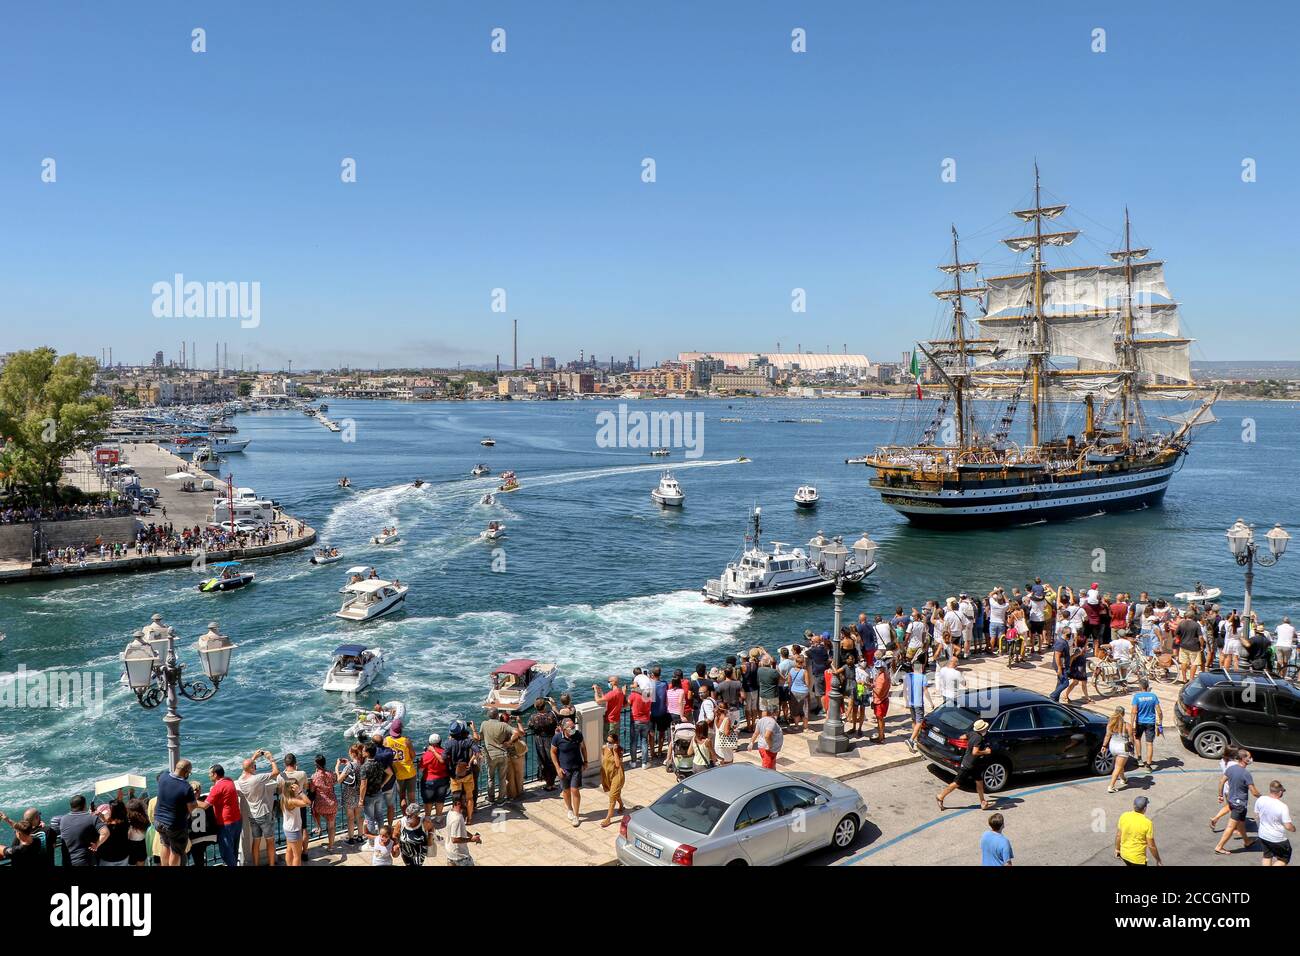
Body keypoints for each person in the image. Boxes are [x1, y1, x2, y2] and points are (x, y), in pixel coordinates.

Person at [153, 759, 201, 867]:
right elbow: (192, 808)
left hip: (158, 820)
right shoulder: (186, 787)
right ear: (186, 772)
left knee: (165, 845)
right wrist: (193, 798)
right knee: (176, 851)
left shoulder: (163, 777)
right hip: (174, 825)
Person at [937, 718, 991, 811]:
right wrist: (985, 751)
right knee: (956, 783)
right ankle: (940, 796)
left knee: (979, 782)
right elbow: (975, 752)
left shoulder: (971, 733)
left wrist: (969, 743)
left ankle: (983, 802)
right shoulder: (978, 738)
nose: (986, 730)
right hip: (968, 765)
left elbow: (962, 737)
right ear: (982, 729)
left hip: (975, 765)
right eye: (985, 728)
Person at [1215, 749, 1260, 854]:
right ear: (1243, 759)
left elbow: (1222, 781)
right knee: (1231, 827)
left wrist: (1220, 795)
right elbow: (1254, 792)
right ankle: (1219, 847)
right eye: (1249, 757)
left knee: (1241, 823)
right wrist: (1264, 797)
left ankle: (1247, 841)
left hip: (1231, 800)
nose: (1250, 759)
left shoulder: (1231, 768)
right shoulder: (1246, 774)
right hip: (1239, 804)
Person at [550, 717, 588, 827]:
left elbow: (583, 748)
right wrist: (557, 768)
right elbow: (552, 752)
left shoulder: (578, 735)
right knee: (566, 791)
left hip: (576, 767)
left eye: (574, 727)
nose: (573, 729)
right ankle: (570, 809)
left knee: (574, 790)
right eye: (571, 728)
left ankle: (576, 815)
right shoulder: (557, 738)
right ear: (564, 729)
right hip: (564, 769)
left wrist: (585, 761)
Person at [479, 708, 520, 805]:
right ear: (498, 716)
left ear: (488, 715)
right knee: (502, 778)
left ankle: (491, 797)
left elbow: (480, 737)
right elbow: (517, 732)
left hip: (490, 755)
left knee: (490, 777)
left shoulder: (484, 724)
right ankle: (501, 799)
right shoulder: (504, 725)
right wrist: (509, 742)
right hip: (502, 754)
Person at [206, 764, 242, 867]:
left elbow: (204, 805)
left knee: (226, 853)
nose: (209, 776)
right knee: (234, 851)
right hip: (237, 820)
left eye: (210, 774)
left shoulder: (217, 788)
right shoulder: (229, 781)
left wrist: (192, 801)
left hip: (226, 824)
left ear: (215, 774)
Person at [357, 741, 392, 838]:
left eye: (363, 750)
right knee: (380, 817)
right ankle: (383, 837)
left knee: (370, 819)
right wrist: (382, 784)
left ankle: (372, 841)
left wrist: (361, 800)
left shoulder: (364, 767)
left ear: (367, 753)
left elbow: (363, 785)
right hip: (379, 793)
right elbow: (390, 773)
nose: (362, 752)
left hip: (369, 796)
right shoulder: (380, 763)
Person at [1255, 780, 1294, 867]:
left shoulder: (1261, 799)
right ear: (1280, 792)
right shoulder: (1282, 806)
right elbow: (1288, 826)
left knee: (1267, 855)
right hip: (1277, 838)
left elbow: (1257, 815)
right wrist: (1293, 828)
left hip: (1263, 835)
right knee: (1283, 859)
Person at [1116, 795, 1162, 865]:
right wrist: (1158, 859)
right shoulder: (1147, 823)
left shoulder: (1124, 816)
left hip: (1124, 855)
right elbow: (1151, 846)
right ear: (1145, 808)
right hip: (1137, 859)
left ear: (1133, 805)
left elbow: (1118, 835)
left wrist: (1117, 849)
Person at [384, 720, 418, 810]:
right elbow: (413, 756)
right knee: (412, 799)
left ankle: (405, 817)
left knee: (402, 797)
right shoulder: (406, 741)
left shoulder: (387, 741)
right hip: (410, 772)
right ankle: (413, 818)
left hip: (398, 774)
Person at [1129, 680, 1163, 770]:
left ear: (1140, 687)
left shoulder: (1137, 697)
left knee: (1137, 739)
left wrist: (1132, 724)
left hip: (1139, 722)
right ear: (1148, 687)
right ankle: (1148, 765)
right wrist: (1160, 721)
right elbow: (1159, 711)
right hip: (1151, 723)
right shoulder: (1153, 696)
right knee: (1149, 744)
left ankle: (1139, 759)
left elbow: (1133, 712)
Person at [336, 744, 364, 845]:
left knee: (350, 817)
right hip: (359, 793)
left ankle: (351, 838)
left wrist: (337, 767)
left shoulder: (349, 767)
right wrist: (349, 762)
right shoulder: (363, 764)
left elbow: (339, 780)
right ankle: (360, 836)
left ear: (353, 753)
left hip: (349, 794)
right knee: (359, 816)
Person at [528, 699, 561, 785]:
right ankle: (552, 782)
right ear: (545, 706)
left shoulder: (533, 717)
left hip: (539, 741)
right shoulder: (551, 715)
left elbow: (530, 726)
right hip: (551, 739)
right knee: (552, 759)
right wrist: (553, 705)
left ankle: (547, 781)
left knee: (542, 760)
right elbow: (559, 718)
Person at [442, 792, 480, 866]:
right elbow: (454, 839)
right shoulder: (457, 818)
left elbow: (459, 830)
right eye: (465, 800)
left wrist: (471, 836)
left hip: (450, 853)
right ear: (458, 803)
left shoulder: (451, 812)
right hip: (459, 856)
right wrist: (471, 840)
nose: (466, 802)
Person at [309, 754, 338, 849]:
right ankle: (331, 846)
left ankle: (319, 827)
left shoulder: (315, 776)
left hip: (321, 805)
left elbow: (312, 790)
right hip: (332, 804)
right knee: (331, 826)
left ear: (316, 764)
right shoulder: (330, 774)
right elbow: (335, 780)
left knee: (313, 809)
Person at [420, 734, 451, 822]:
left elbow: (421, 768)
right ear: (440, 742)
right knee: (440, 799)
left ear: (430, 743)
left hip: (429, 780)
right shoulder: (444, 752)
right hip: (443, 779)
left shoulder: (427, 754)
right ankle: (438, 817)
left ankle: (428, 817)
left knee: (428, 800)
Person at [279, 781, 311, 866]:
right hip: (294, 830)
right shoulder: (292, 801)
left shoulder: (284, 798)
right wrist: (300, 791)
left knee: (289, 849)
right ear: (292, 789)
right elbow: (308, 803)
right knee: (297, 855)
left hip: (287, 828)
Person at [599, 732, 626, 828]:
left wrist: (614, 751)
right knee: (615, 794)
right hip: (607, 775)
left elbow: (618, 764)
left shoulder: (620, 750)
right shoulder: (604, 748)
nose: (608, 743)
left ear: (616, 742)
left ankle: (608, 819)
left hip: (617, 776)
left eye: (610, 742)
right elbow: (604, 759)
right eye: (607, 741)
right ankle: (622, 805)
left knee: (612, 796)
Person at [1103, 707, 1131, 793]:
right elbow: (1131, 738)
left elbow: (1107, 735)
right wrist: (1132, 747)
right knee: (1118, 767)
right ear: (1123, 714)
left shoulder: (1111, 724)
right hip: (1122, 747)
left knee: (1120, 764)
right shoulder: (1127, 725)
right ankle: (1111, 786)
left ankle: (1123, 778)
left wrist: (1104, 746)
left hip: (1112, 746)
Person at [398, 803, 433, 868]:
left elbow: (431, 828)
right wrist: (396, 845)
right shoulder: (401, 822)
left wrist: (430, 837)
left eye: (410, 816)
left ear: (417, 815)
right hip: (406, 852)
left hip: (420, 852)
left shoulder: (423, 822)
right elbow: (395, 835)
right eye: (407, 815)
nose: (407, 818)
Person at [750, 704, 784, 769]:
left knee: (772, 765)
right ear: (775, 712)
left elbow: (756, 733)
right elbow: (767, 736)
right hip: (768, 750)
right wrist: (770, 746)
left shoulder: (761, 720)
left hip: (764, 747)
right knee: (767, 769)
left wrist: (751, 743)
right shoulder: (771, 722)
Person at [593, 676, 625, 742]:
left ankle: (609, 752)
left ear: (613, 682)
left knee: (608, 741)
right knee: (616, 740)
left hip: (610, 721)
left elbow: (598, 700)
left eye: (609, 682)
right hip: (617, 720)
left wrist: (596, 691)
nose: (608, 683)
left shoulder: (612, 693)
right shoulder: (620, 692)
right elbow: (606, 698)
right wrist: (601, 692)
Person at [1175, 609, 1203, 683]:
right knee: (1194, 663)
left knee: (1184, 662)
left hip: (1183, 645)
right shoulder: (1196, 625)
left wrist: (1179, 639)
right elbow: (1200, 637)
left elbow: (1176, 633)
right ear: (1193, 617)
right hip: (1194, 646)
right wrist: (1202, 645)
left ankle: (1184, 678)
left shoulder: (1181, 623)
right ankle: (1191, 679)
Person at [871, 651, 892, 744]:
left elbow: (878, 692)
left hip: (880, 701)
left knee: (880, 719)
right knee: (881, 719)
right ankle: (882, 735)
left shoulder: (881, 678)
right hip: (884, 699)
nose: (877, 669)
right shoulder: (886, 676)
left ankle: (880, 737)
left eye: (878, 668)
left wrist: (870, 686)